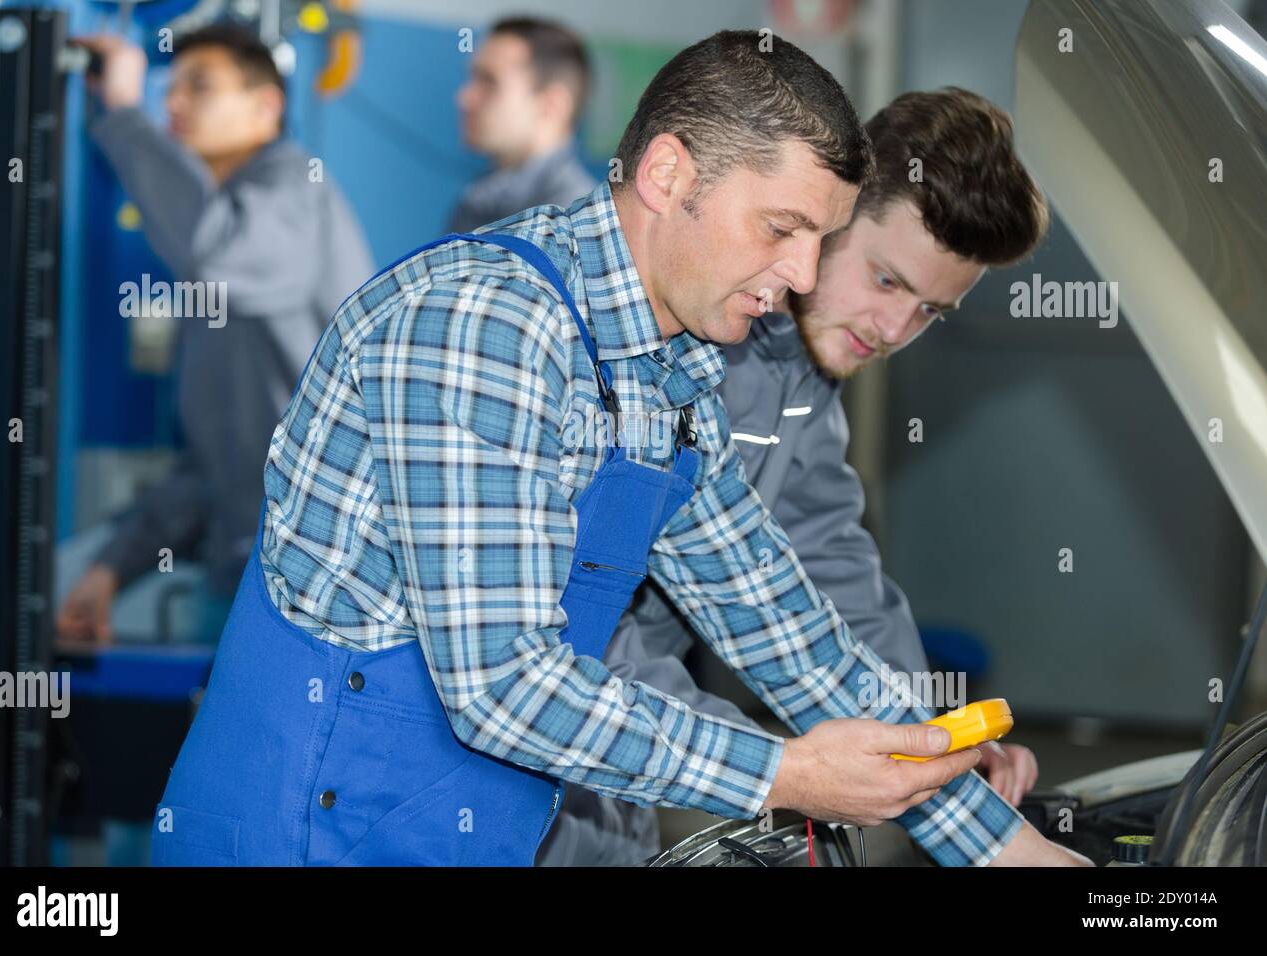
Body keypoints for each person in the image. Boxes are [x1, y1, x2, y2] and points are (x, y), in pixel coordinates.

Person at [151, 30, 1089, 867]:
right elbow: (504, 687)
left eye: (822, 241)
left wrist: (1007, 850)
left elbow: (786, 631)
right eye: (783, 229)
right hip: (304, 833)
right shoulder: (485, 324)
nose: (803, 275)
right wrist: (788, 773)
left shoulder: (666, 373)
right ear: (669, 175)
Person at [536, 87, 1051, 866]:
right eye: (886, 281)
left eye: (929, 312)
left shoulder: (802, 371)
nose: (892, 331)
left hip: (625, 772)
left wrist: (924, 743)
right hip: (532, 756)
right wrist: (794, 771)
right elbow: (573, 625)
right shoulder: (694, 343)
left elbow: (830, 565)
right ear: (836, 211)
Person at [56, 25, 374, 646]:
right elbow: (210, 465)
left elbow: (212, 252)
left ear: (266, 106)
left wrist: (122, 115)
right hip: (245, 580)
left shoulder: (293, 194)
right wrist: (111, 568)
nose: (173, 103)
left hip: (323, 595)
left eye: (199, 86)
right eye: (169, 88)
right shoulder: (230, 230)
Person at [449, 16, 596, 232]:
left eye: (489, 82)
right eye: (473, 78)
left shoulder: (576, 222)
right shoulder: (479, 201)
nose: (464, 97)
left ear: (551, 105)